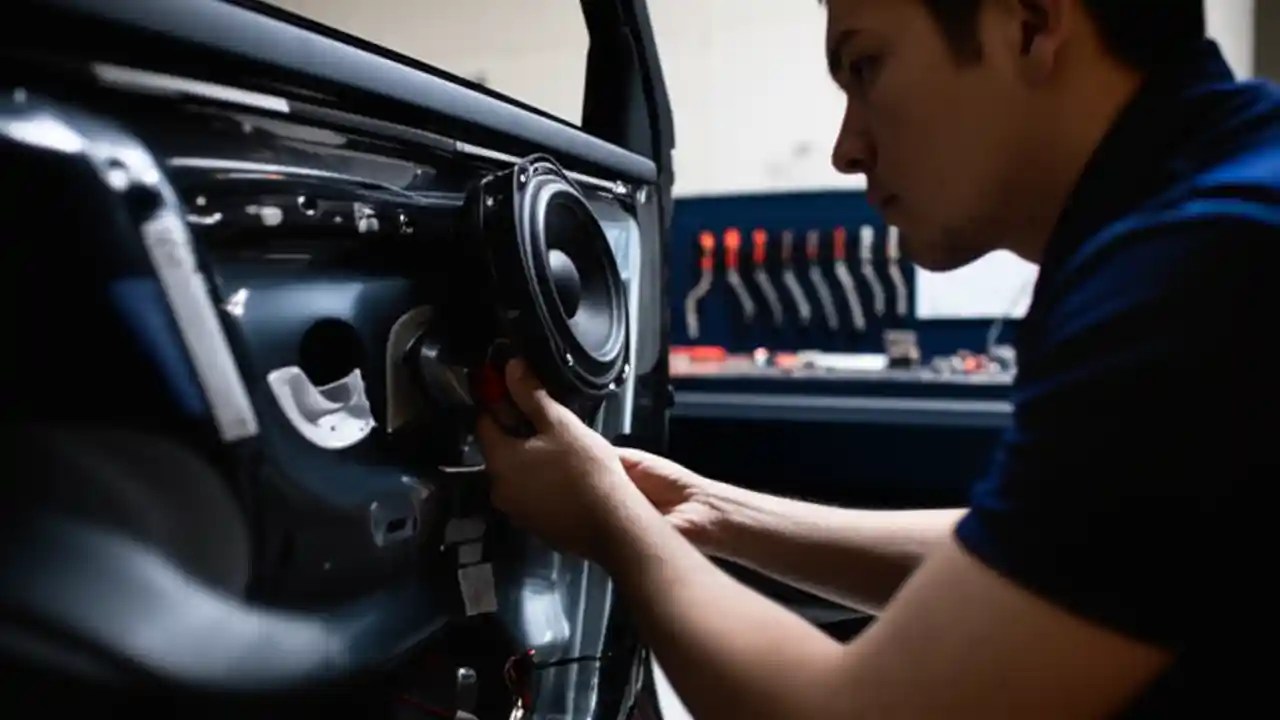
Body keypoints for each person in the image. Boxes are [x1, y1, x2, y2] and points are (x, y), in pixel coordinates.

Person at [477, 0, 1277, 717]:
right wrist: (713, 515)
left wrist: (609, 526)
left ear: (1031, 24)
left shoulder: (1204, 272)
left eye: (865, 66)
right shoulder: (1217, 201)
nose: (844, 149)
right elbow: (1056, 556)